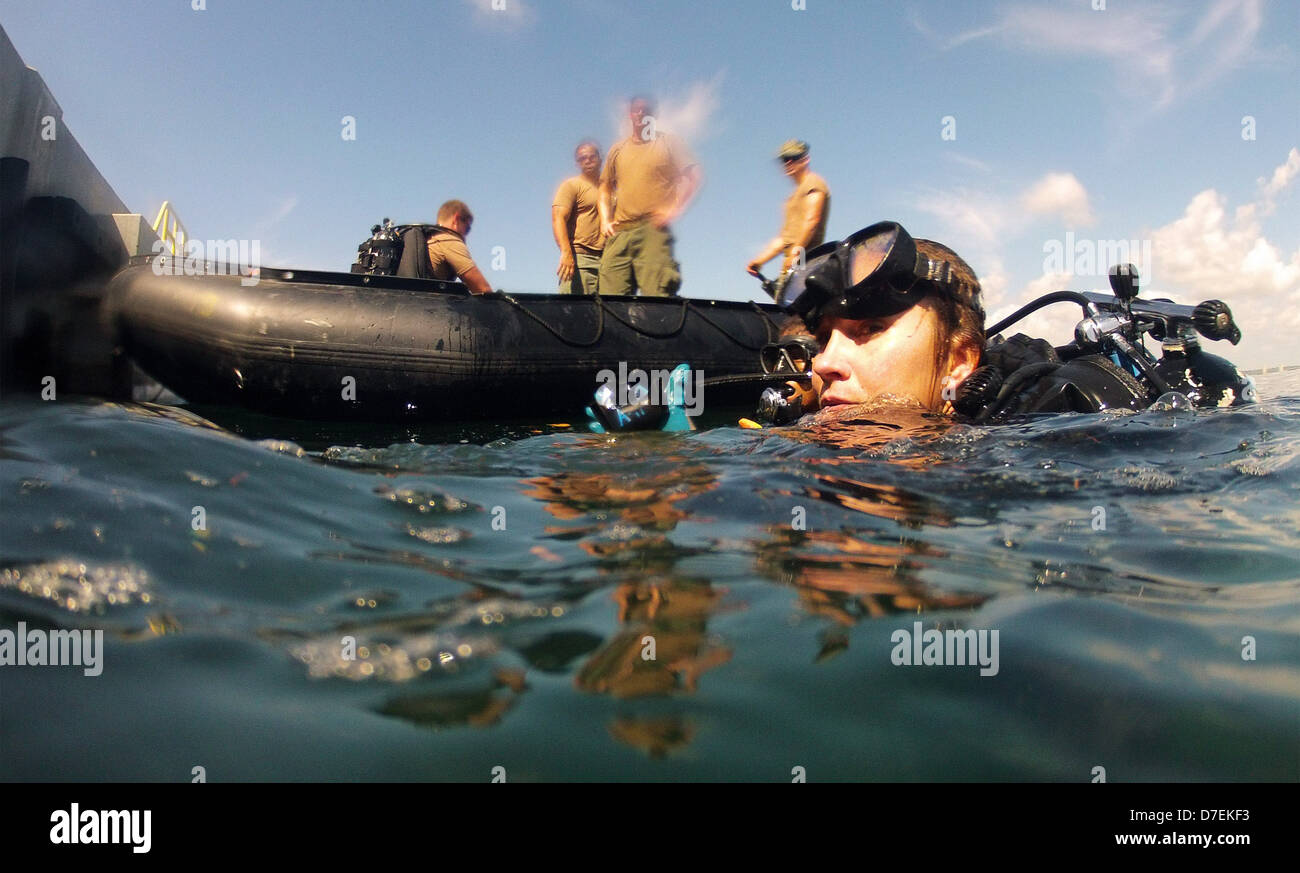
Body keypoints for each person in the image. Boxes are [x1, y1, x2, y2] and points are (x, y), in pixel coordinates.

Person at [598, 96, 701, 297]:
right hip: (620, 232)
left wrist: (674, 211)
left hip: (652, 230)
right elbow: (604, 187)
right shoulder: (617, 150)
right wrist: (604, 220)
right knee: (610, 301)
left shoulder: (669, 142)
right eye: (636, 110)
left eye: (646, 110)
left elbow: (695, 175)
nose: (641, 113)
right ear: (630, 115)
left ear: (653, 115)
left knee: (658, 299)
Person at [746, 140, 831, 297]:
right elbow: (784, 239)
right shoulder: (792, 199)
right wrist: (759, 261)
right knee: (789, 308)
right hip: (793, 265)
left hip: (807, 260)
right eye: (784, 159)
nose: (788, 163)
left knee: (802, 306)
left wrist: (796, 254)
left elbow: (812, 221)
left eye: (793, 157)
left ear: (805, 159)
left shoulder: (813, 182)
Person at [552, 141, 605, 295]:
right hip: (580, 259)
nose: (587, 161)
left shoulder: (610, 189)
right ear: (577, 163)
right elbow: (558, 218)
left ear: (600, 158)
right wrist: (567, 254)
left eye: (592, 156)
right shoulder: (571, 185)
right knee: (575, 314)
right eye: (582, 158)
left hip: (608, 261)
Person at [425, 200, 492, 294]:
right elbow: (483, 290)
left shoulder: (427, 239)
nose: (466, 235)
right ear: (456, 220)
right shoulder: (448, 240)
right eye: (467, 229)